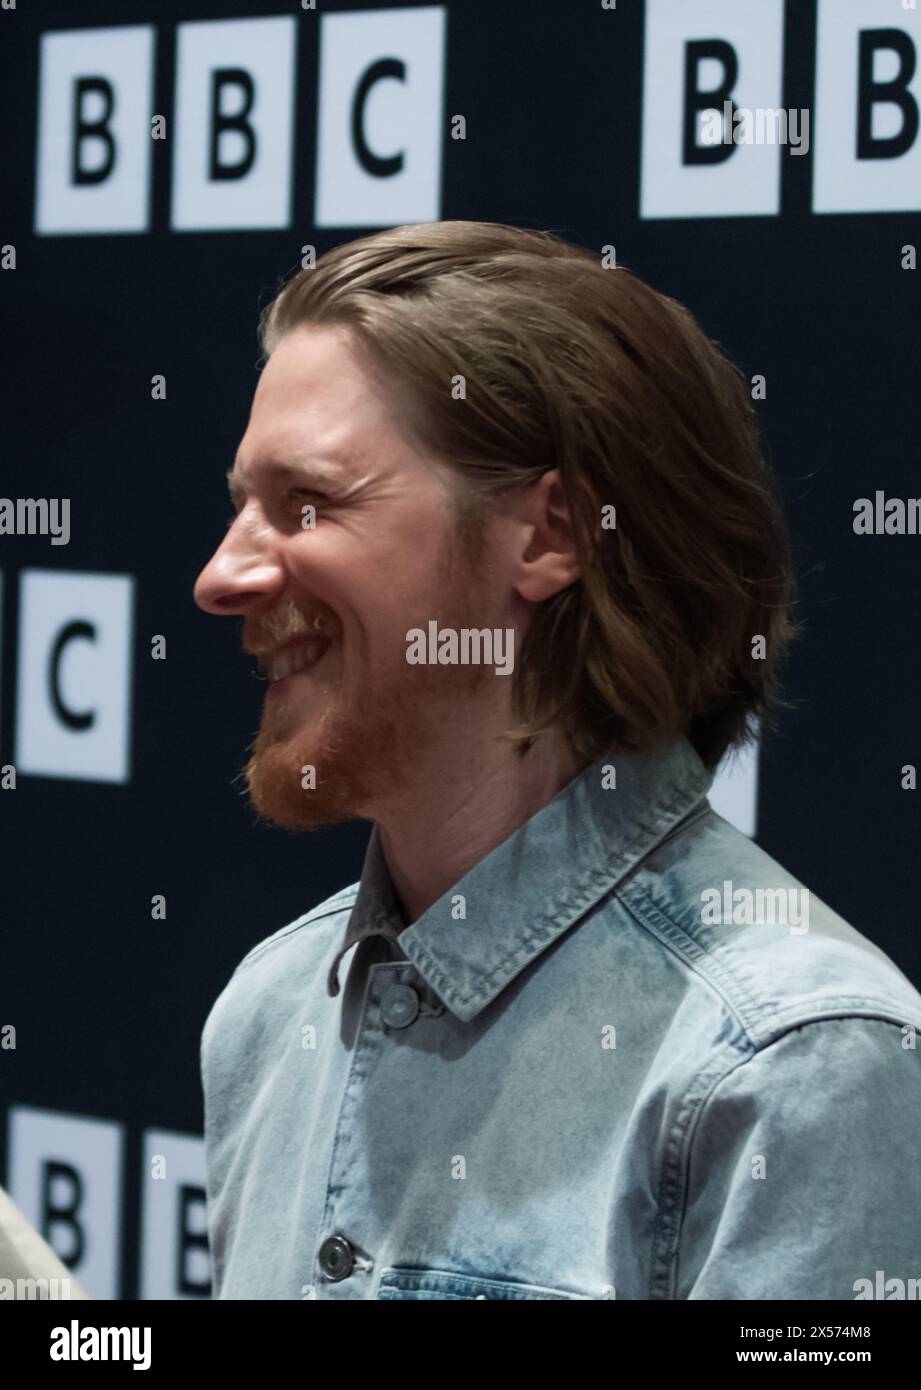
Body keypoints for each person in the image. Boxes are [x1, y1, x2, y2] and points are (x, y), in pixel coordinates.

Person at [193, 221, 921, 1300]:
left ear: (551, 535)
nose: (221, 576)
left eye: (307, 504)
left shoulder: (797, 1067)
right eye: (238, 507)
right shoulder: (268, 1014)